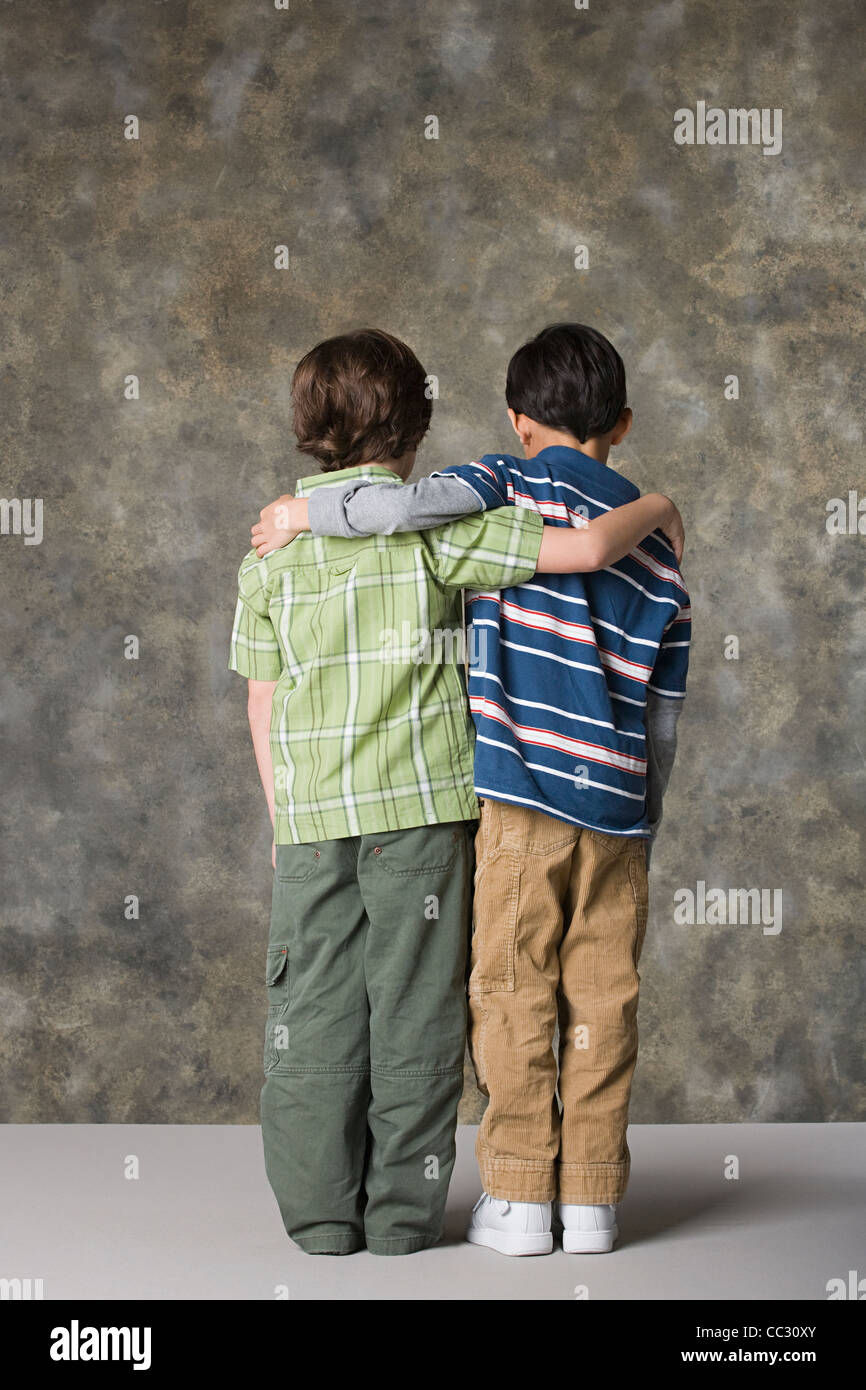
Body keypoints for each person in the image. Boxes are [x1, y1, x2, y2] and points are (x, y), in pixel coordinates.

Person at [251, 323, 691, 1256]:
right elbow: (604, 596)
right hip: (505, 812)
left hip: (400, 809)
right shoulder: (483, 539)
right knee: (483, 1008)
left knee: (374, 1004)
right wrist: (656, 505)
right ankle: (489, 1215)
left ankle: (387, 1214)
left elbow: (266, 691)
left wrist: (285, 813)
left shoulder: (286, 551)